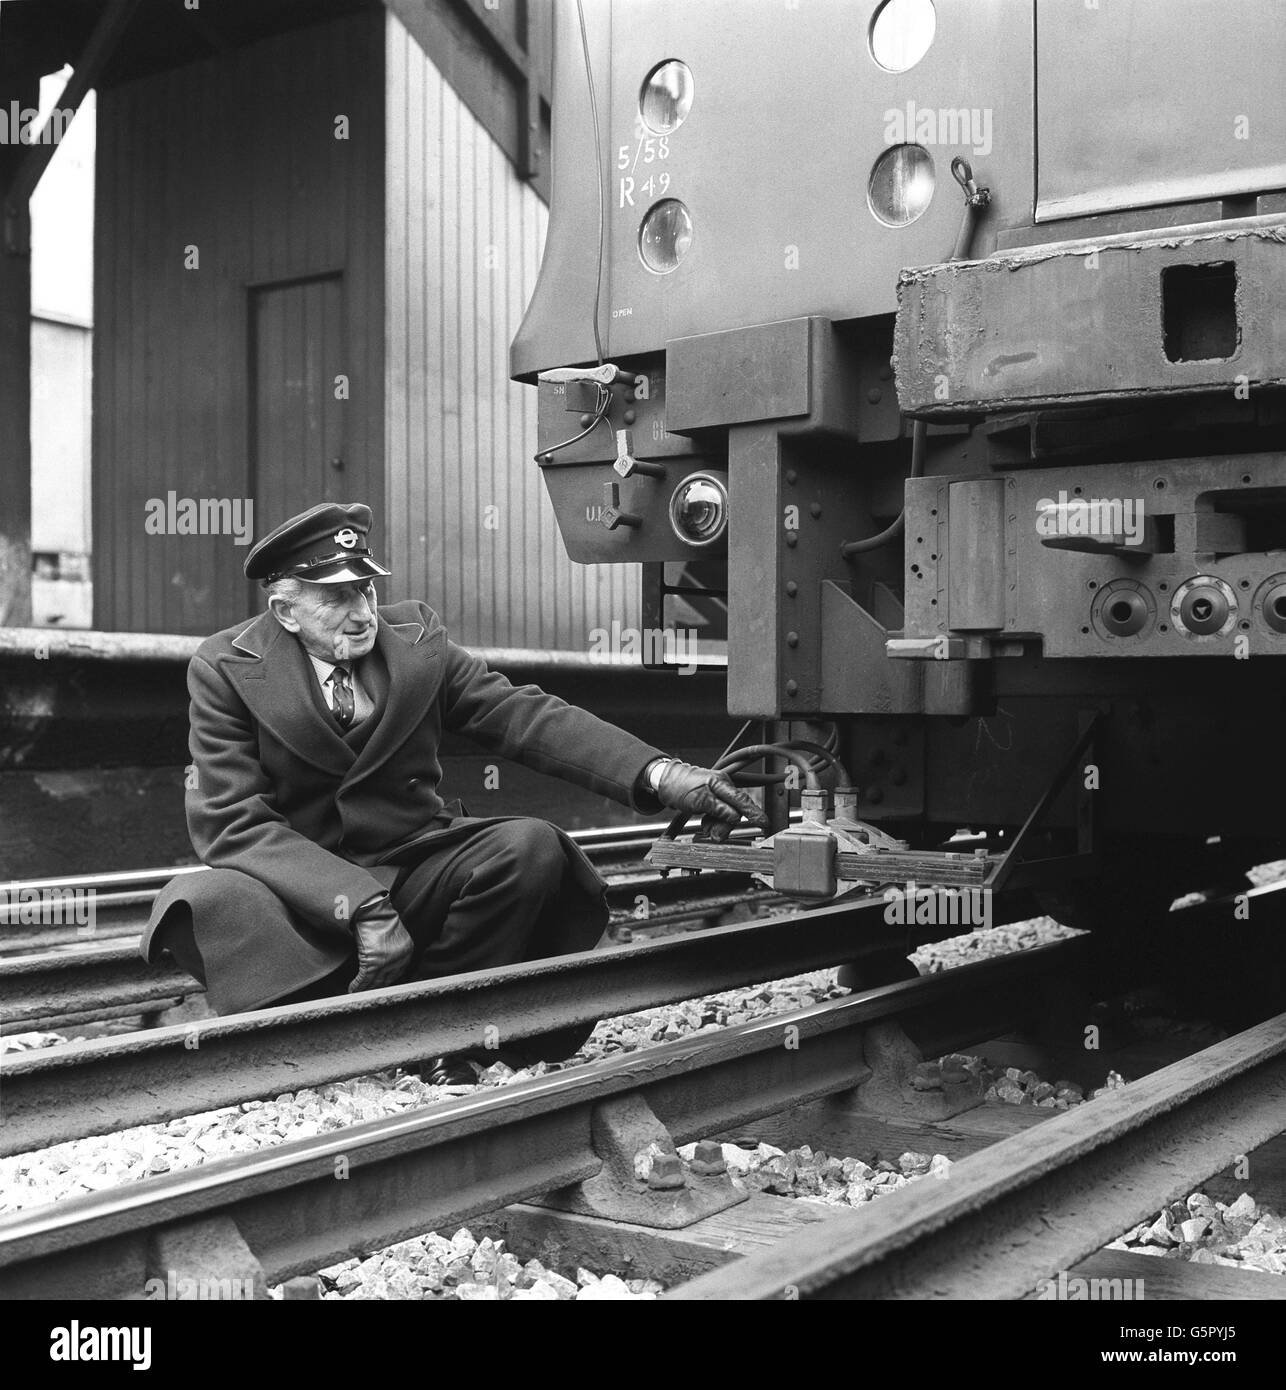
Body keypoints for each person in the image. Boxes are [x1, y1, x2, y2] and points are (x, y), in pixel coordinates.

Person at [141, 502, 764, 1081]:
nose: (362, 613)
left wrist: (661, 774)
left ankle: (436, 1028)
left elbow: (524, 716)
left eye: (366, 589)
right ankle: (313, 1038)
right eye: (335, 598)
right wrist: (358, 903)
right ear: (285, 610)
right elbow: (232, 823)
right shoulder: (226, 666)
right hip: (299, 894)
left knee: (530, 847)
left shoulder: (416, 642)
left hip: (413, 869)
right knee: (205, 897)